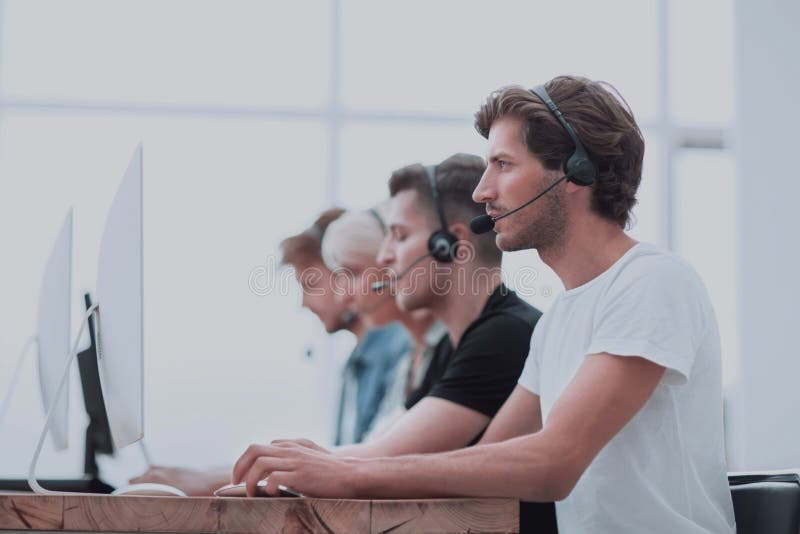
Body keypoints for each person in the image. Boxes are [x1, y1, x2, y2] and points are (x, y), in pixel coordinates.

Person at [231, 77, 736, 534]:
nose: (482, 191)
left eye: (504, 165)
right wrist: (302, 479)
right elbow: (485, 463)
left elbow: (553, 461)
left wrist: (350, 473)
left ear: (576, 172)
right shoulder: (560, 318)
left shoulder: (652, 282)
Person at [129, 208, 410, 493]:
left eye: (310, 285)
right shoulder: (360, 360)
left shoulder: (395, 349)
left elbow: (361, 463)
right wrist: (211, 476)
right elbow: (343, 461)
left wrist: (210, 481)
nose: (304, 303)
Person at [321, 204, 444, 438]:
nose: (343, 296)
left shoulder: (446, 347)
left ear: (391, 264)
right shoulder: (408, 360)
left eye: (353, 273)